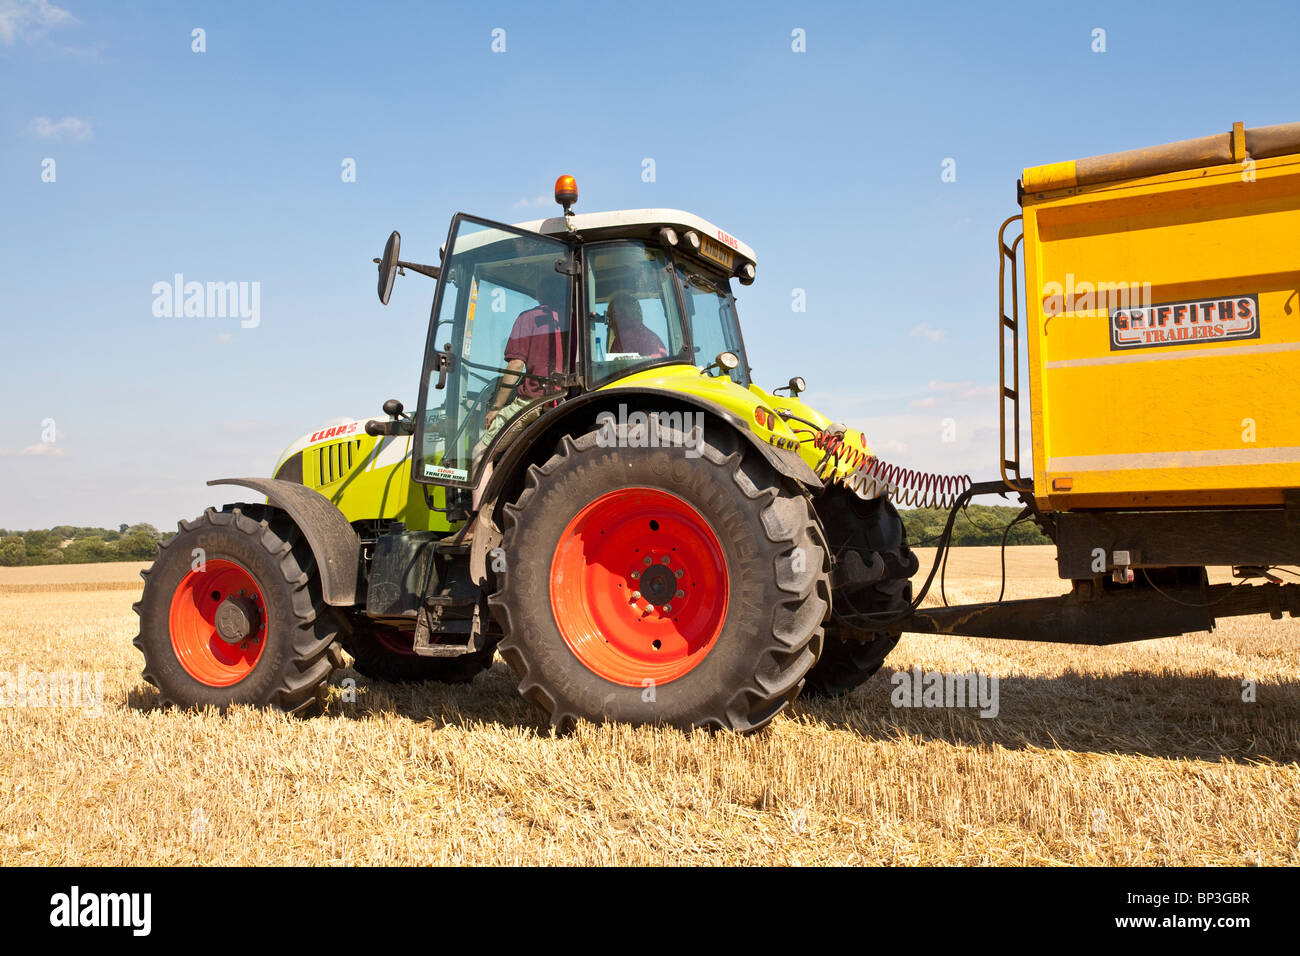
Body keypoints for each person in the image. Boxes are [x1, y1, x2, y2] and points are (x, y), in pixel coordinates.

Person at [478, 274, 569, 452]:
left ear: (539, 294)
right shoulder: (570, 321)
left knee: (480, 452)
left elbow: (516, 366)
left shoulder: (529, 318)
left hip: (534, 400)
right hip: (563, 397)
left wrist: (497, 407)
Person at [607, 291, 667, 358]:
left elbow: (616, 367)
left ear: (621, 315)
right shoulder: (652, 337)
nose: (609, 324)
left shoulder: (623, 339)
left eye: (610, 317)